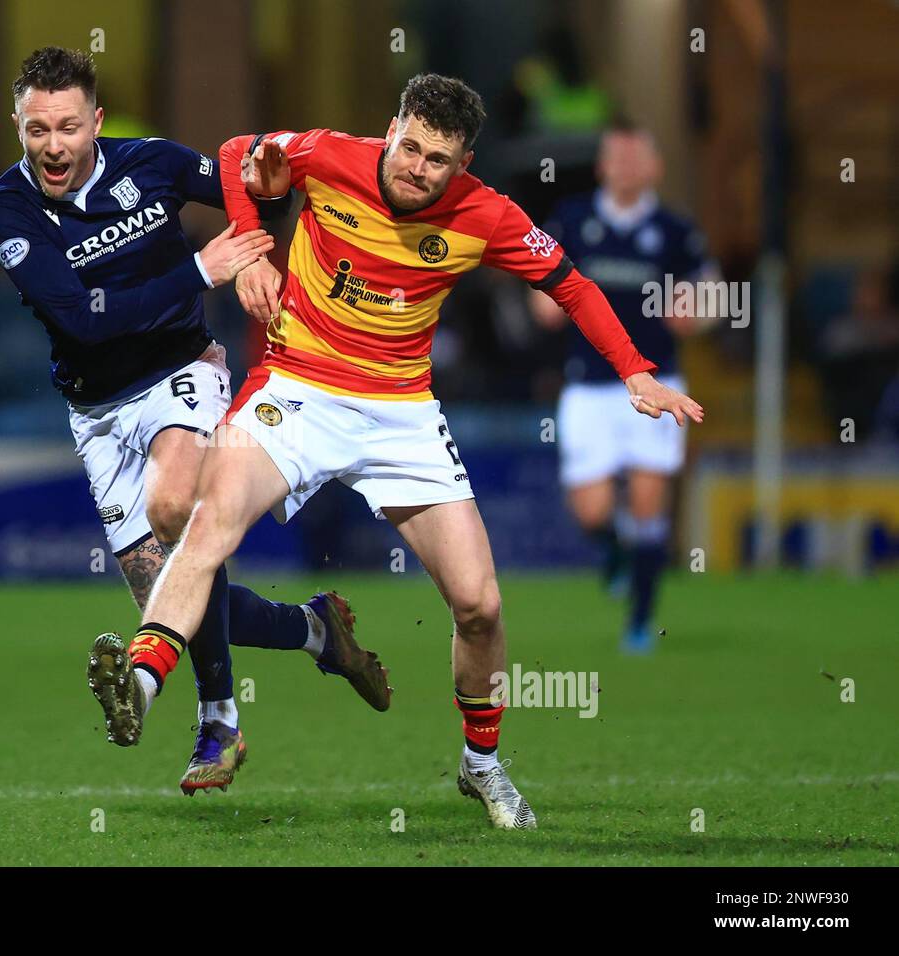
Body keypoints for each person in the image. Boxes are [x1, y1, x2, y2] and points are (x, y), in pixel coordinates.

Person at [94, 73, 704, 829]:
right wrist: (252, 253)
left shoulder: (488, 215)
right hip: (299, 389)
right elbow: (234, 155)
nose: (416, 167)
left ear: (464, 163)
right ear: (391, 129)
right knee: (209, 522)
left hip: (401, 413)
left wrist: (636, 373)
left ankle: (482, 764)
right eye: (409, 147)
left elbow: (572, 286)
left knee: (479, 605)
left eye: (437, 159)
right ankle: (143, 683)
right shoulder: (328, 156)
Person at [0, 48, 391, 794]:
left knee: (176, 509)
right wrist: (204, 269)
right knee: (177, 601)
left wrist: (266, 207)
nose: (52, 146)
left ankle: (218, 720)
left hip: (181, 374)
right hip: (95, 412)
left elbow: (253, 194)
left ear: (95, 122)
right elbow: (81, 320)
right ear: (18, 125)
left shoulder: (156, 165)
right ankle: (315, 629)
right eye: (36, 129)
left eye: (68, 127)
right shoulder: (6, 208)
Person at [531, 121, 716, 653]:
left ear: (655, 168)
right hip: (589, 385)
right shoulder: (571, 220)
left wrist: (699, 310)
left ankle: (640, 618)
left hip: (658, 382)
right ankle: (613, 554)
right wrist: (539, 302)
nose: (628, 166)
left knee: (647, 501)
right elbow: (538, 286)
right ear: (603, 166)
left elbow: (708, 294)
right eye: (619, 157)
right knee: (590, 510)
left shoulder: (678, 232)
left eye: (638, 158)